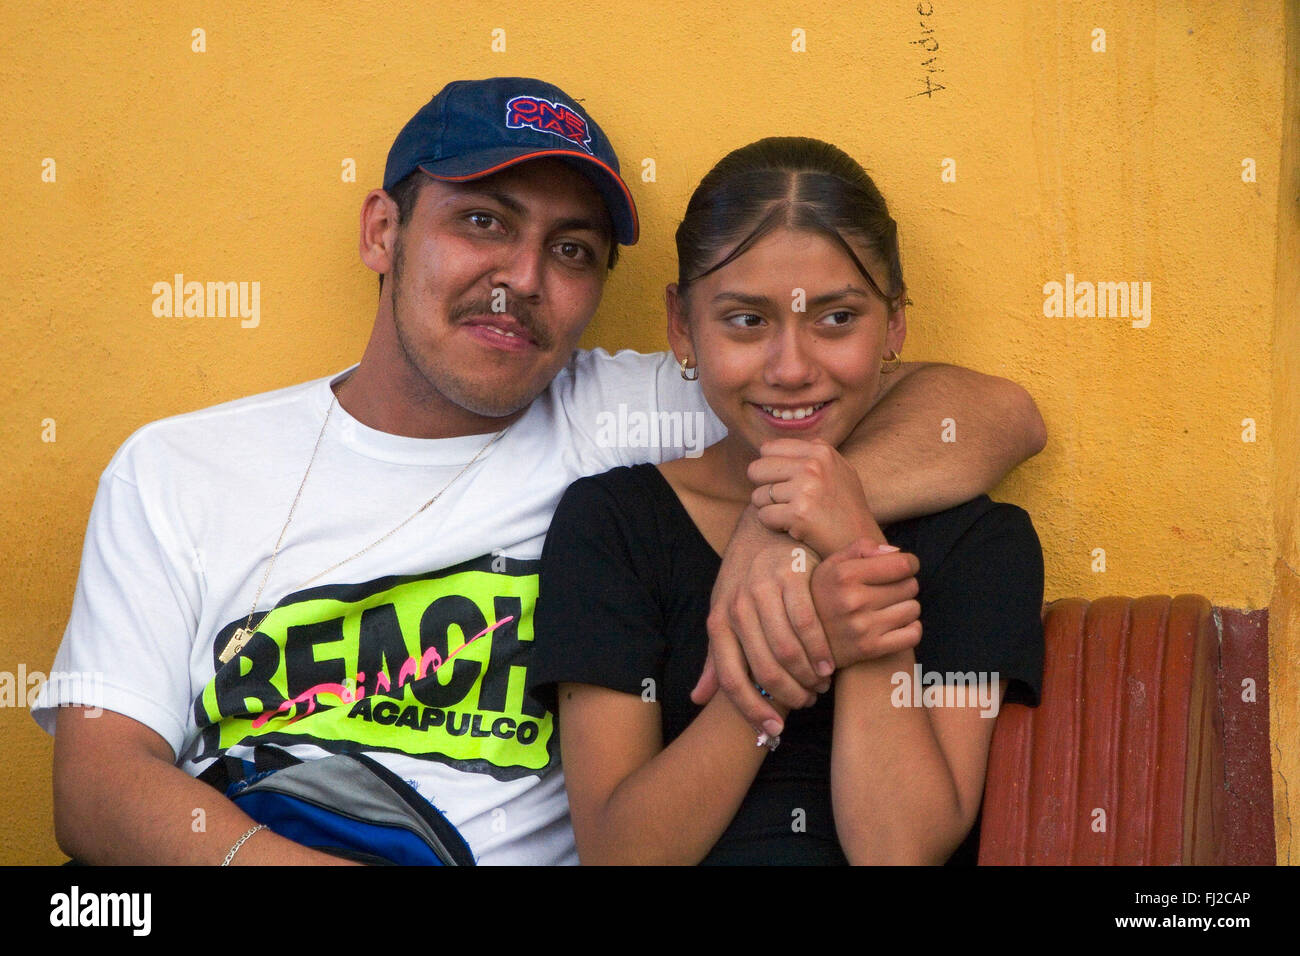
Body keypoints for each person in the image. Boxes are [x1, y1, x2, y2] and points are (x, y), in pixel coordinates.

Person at [33, 78, 1045, 866]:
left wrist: (783, 527)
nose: (521, 278)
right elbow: (96, 786)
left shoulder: (616, 410)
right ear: (383, 230)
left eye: (570, 249)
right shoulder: (179, 467)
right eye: (483, 219)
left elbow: (993, 412)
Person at [528, 136, 1045, 865]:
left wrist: (860, 589)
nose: (792, 368)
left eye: (837, 319)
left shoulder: (977, 545)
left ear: (895, 323)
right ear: (682, 325)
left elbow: (899, 852)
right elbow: (621, 853)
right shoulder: (615, 526)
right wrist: (789, 660)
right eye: (747, 320)